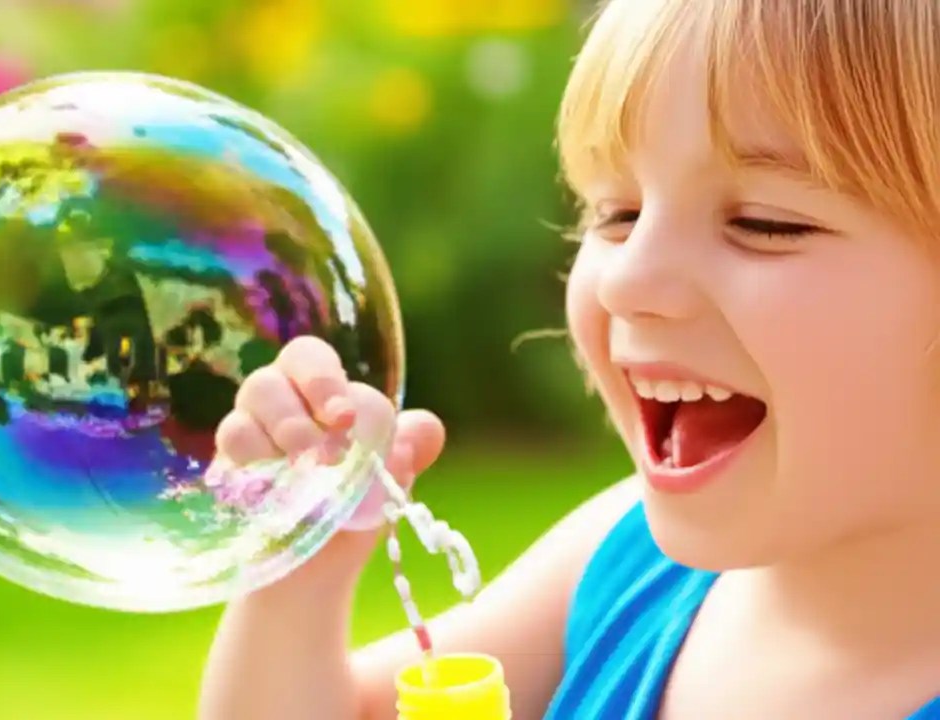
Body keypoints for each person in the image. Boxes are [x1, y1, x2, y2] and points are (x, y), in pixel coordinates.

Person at [196, 0, 940, 717]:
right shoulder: (633, 564)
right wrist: (296, 583)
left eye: (764, 223)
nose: (626, 279)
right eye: (617, 214)